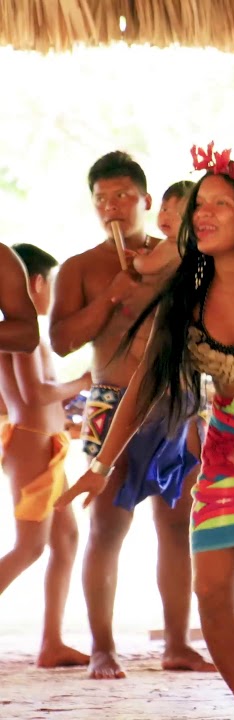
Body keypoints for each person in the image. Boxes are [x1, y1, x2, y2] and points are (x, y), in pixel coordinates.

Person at [58, 143, 234, 720]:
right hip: (230, 443)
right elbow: (143, 383)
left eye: (220, 204)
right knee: (211, 591)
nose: (203, 214)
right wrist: (100, 465)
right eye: (199, 206)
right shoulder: (184, 295)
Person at [48, 150, 210, 679]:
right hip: (112, 402)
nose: (112, 208)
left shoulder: (183, 256)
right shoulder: (80, 268)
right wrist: (111, 298)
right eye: (101, 200)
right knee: (106, 530)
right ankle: (101, 647)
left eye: (122, 197)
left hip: (179, 406)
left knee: (177, 525)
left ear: (146, 200)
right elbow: (63, 340)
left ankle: (179, 644)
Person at [0, 244, 91, 668]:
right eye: (51, 284)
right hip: (32, 445)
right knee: (30, 547)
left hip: (43, 442)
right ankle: (50, 642)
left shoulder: (21, 333)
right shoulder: (22, 335)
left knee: (66, 538)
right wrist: (83, 381)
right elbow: (35, 393)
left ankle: (52, 642)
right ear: (35, 283)